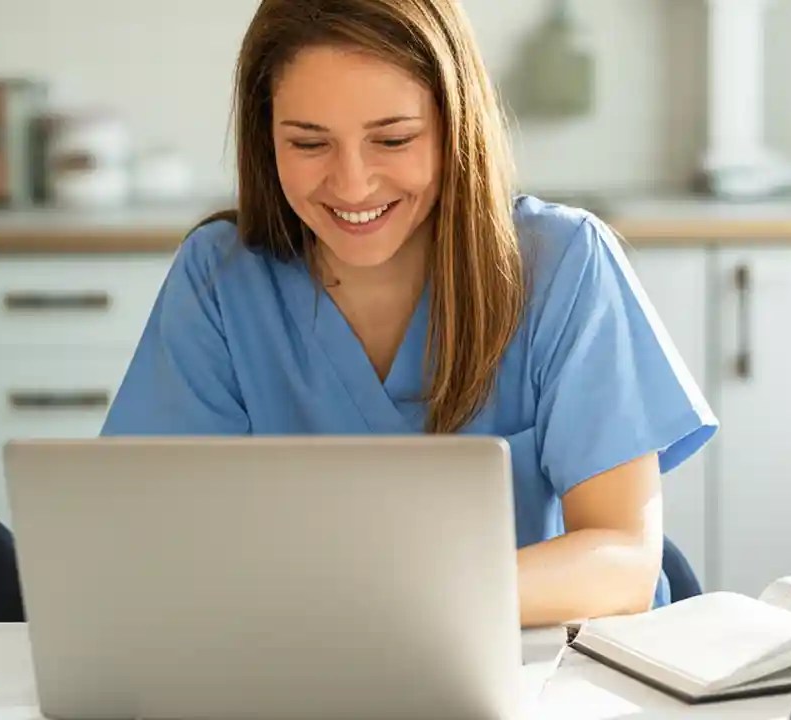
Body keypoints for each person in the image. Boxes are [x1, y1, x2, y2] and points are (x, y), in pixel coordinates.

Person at [100, 0, 717, 628]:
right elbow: (148, 545)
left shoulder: (563, 264)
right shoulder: (221, 280)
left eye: (393, 139)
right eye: (309, 143)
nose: (353, 183)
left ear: (456, 126)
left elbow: (625, 561)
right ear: (266, 139)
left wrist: (388, 605)